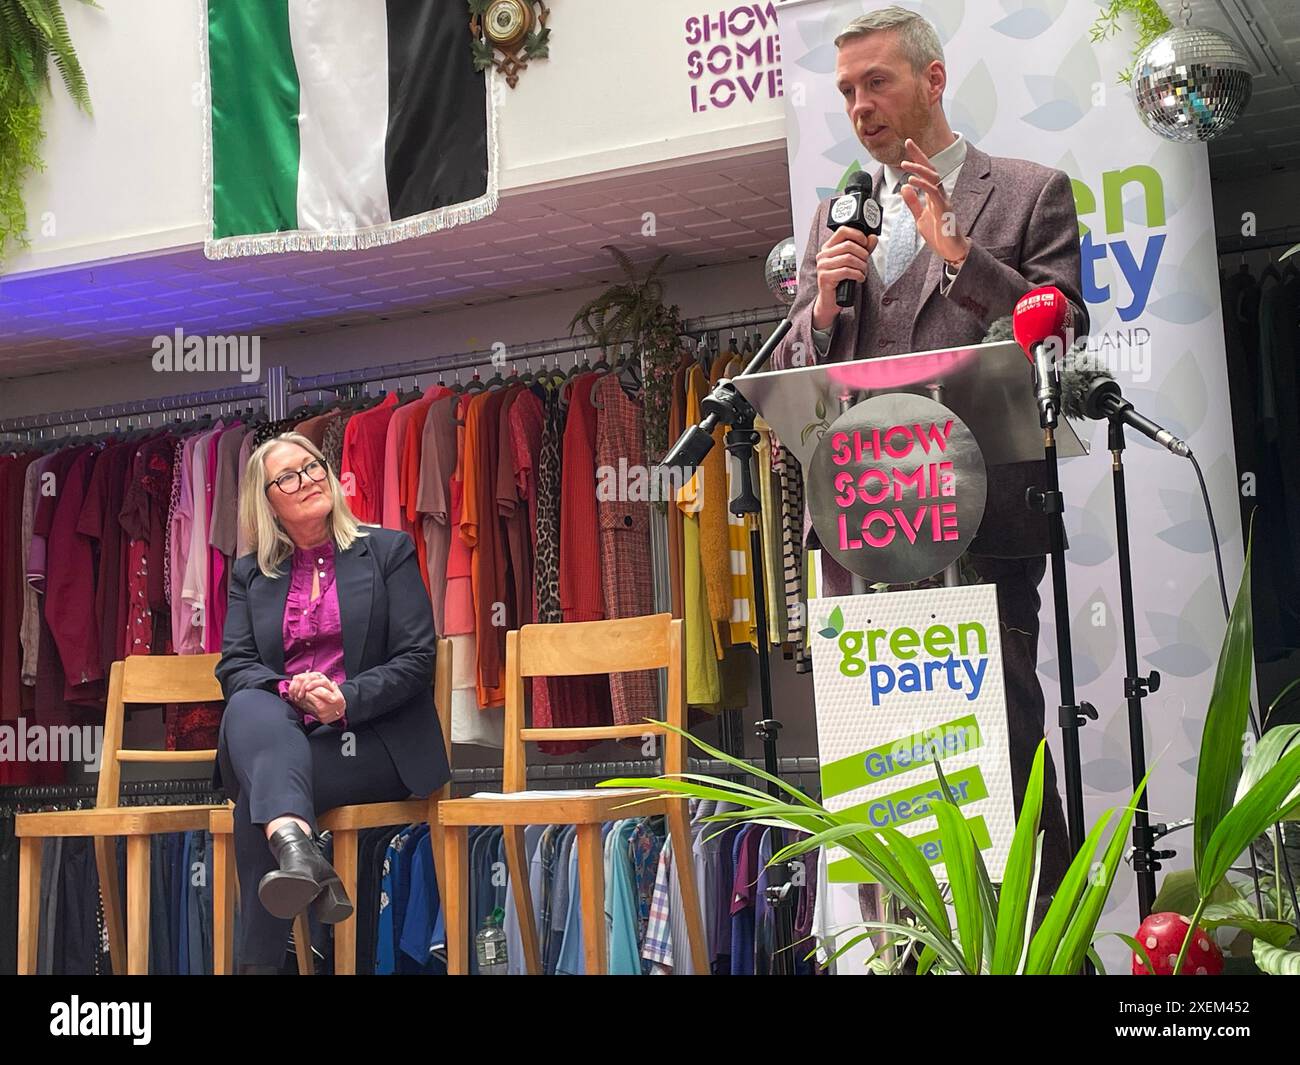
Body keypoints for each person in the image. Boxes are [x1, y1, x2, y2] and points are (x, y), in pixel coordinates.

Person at [774, 7, 1089, 905]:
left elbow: (1061, 333)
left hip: (981, 527)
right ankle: (903, 956)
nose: (859, 106)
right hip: (862, 535)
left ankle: (1041, 950)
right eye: (847, 90)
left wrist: (961, 253)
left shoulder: (1028, 192)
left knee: (1004, 757)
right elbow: (795, 369)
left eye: (877, 82)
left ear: (934, 79)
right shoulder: (835, 220)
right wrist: (823, 305)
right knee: (892, 780)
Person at [215, 432, 450, 973]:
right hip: (286, 741)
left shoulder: (388, 550)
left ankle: (288, 882)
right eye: (288, 477)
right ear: (266, 501)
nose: (308, 480)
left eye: (313, 466)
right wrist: (291, 691)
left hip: (372, 742)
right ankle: (300, 852)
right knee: (249, 703)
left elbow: (418, 659)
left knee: (257, 804)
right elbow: (235, 666)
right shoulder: (251, 574)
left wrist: (344, 700)